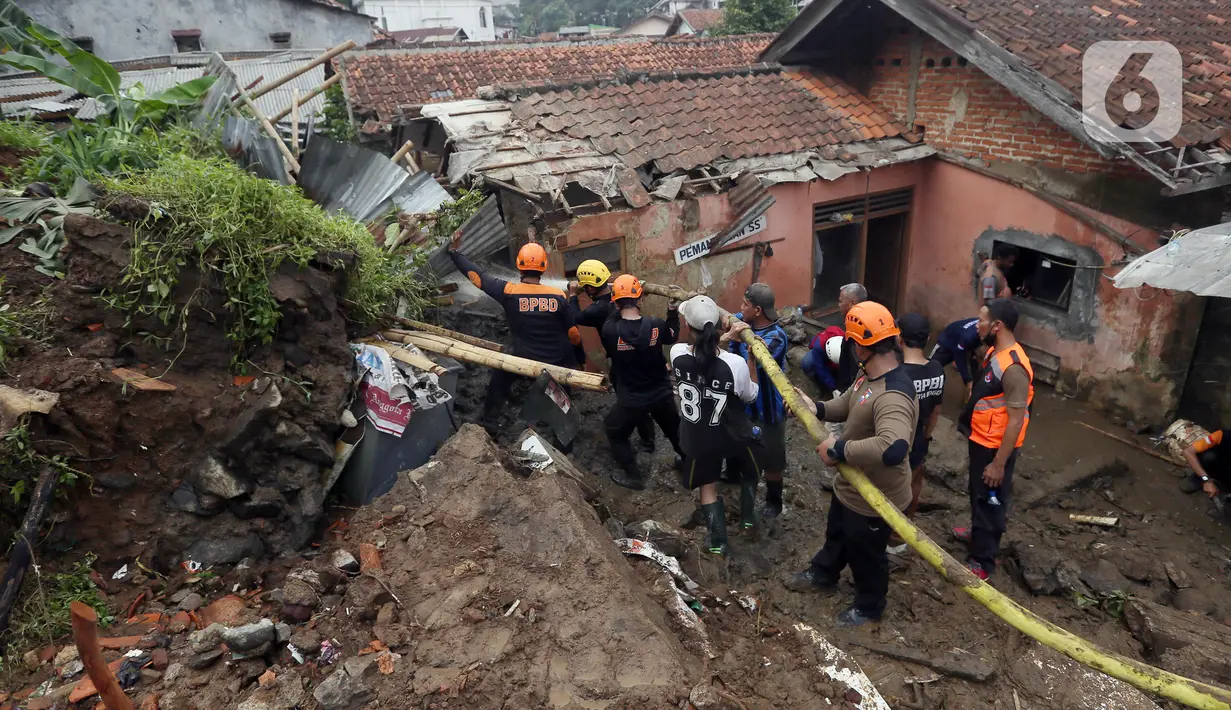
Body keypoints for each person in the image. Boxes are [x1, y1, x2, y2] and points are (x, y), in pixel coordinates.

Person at [784, 301, 918, 627]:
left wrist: (840, 449)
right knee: (838, 533)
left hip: (876, 495)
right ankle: (824, 572)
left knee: (867, 554)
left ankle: (870, 605)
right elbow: (848, 402)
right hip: (851, 486)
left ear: (860, 346)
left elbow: (893, 447)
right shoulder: (867, 373)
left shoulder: (893, 395)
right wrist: (816, 408)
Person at [671, 296, 762, 557]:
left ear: (688, 327)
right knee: (751, 468)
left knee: (707, 486)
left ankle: (718, 542)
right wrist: (751, 364)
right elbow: (750, 395)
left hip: (698, 436)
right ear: (718, 328)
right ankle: (747, 518)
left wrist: (724, 339)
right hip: (730, 433)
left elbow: (700, 356)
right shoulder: (734, 364)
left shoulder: (676, 354)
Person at [448, 241, 582, 419]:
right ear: (544, 267)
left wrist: (454, 252)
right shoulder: (558, 296)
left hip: (523, 361)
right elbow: (574, 334)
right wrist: (580, 361)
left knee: (500, 377)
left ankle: (489, 422)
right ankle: (564, 439)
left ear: (519, 266)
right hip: (555, 363)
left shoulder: (509, 291)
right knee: (562, 406)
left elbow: (478, 277)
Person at [951, 298, 1033, 581]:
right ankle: (976, 534)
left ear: (997, 326)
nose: (977, 325)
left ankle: (983, 563)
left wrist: (999, 463)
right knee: (978, 493)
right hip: (982, 440)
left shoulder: (1014, 368)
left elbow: (1016, 419)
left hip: (995, 449)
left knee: (991, 500)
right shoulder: (995, 353)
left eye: (982, 320)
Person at [600, 275, 686, 491]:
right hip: (661, 395)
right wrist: (672, 310)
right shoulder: (656, 326)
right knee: (676, 433)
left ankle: (634, 476)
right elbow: (672, 335)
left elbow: (613, 316)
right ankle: (691, 467)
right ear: (640, 300)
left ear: (615, 302)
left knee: (614, 431)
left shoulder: (610, 332)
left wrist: (622, 298)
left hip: (632, 400)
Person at [568, 259, 655, 451]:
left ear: (590, 288)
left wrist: (573, 295)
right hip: (638, 355)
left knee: (630, 400)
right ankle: (647, 436)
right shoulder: (617, 298)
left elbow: (574, 316)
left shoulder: (597, 309)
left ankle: (641, 440)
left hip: (621, 361)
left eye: (585, 287)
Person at [725, 283, 790, 522]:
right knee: (742, 448)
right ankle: (735, 478)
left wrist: (735, 338)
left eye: (746, 305)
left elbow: (746, 363)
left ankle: (775, 501)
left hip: (768, 411)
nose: (741, 309)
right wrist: (734, 325)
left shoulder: (776, 337)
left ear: (759, 310)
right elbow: (733, 318)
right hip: (746, 406)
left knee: (772, 460)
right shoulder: (747, 321)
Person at [889, 314, 945, 552]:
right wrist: (926, 436)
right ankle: (903, 531)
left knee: (891, 487)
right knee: (915, 481)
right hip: (920, 439)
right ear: (928, 338)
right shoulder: (937, 369)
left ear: (900, 339)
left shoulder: (897, 375)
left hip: (897, 442)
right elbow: (936, 410)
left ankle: (889, 536)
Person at [930, 317, 982, 394]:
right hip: (947, 342)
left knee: (974, 368)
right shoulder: (968, 336)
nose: (977, 325)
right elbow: (959, 355)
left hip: (963, 343)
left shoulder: (980, 331)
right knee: (931, 367)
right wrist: (968, 380)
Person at [1180, 428, 1231, 500]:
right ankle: (1199, 478)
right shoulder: (1222, 435)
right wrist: (1206, 479)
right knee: (1208, 456)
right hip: (1214, 466)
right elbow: (1188, 452)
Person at [835, 283, 868, 392]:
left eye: (841, 301)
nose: (838, 304)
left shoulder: (857, 331)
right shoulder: (854, 323)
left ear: (852, 303)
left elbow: (852, 366)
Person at [801, 325, 845, 394]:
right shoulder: (818, 347)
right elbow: (821, 368)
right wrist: (833, 388)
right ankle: (820, 385)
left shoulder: (845, 340)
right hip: (821, 353)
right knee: (807, 363)